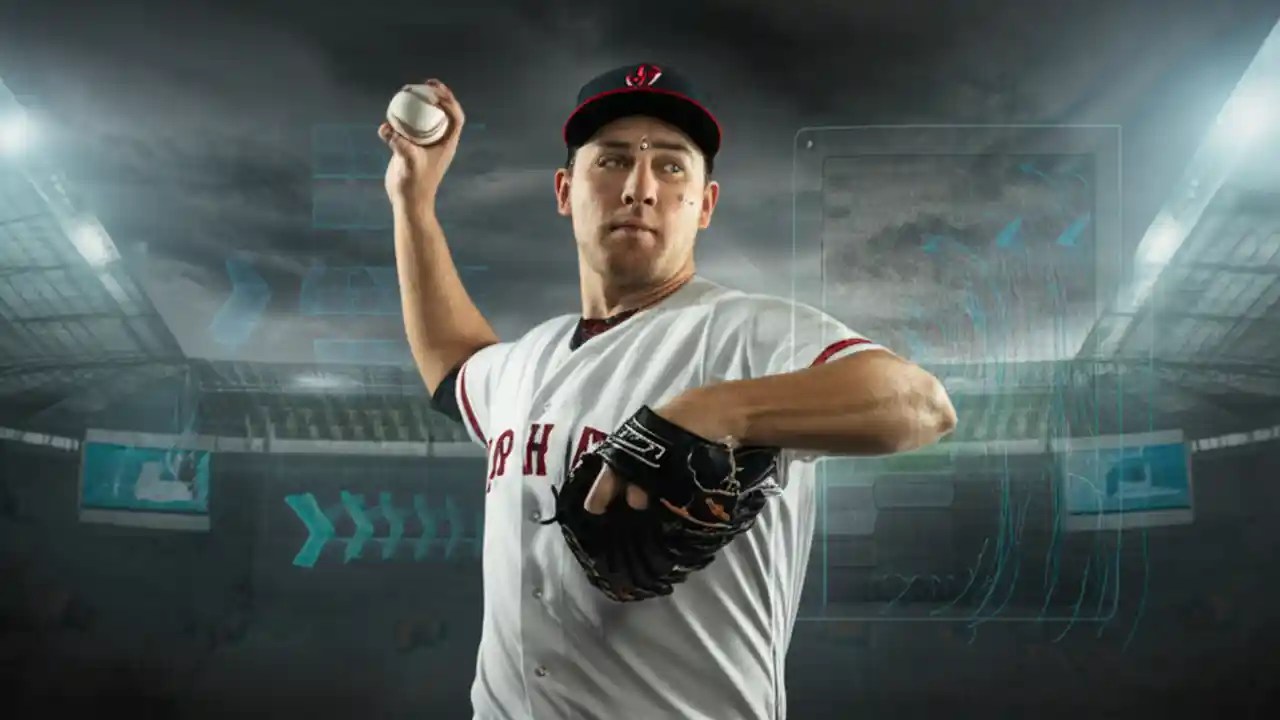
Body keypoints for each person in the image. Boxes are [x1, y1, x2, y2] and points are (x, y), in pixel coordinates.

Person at [379, 62, 958, 720]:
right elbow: (454, 366)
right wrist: (413, 201)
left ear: (705, 205)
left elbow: (920, 405)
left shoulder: (745, 332)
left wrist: (717, 409)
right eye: (613, 161)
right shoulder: (531, 355)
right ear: (566, 191)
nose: (640, 188)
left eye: (672, 166)